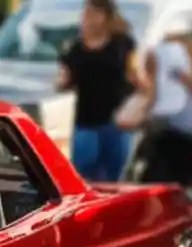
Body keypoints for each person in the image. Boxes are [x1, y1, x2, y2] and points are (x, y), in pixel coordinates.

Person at [58, 0, 142, 182]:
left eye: (91, 13)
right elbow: (65, 81)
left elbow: (134, 75)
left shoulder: (123, 44)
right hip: (87, 121)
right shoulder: (75, 48)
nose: (85, 18)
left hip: (117, 122)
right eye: (85, 13)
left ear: (104, 17)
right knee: (84, 175)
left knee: (113, 176)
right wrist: (61, 82)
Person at [138, 22, 192, 185]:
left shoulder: (181, 73)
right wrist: (153, 76)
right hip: (169, 138)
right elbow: (148, 108)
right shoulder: (167, 76)